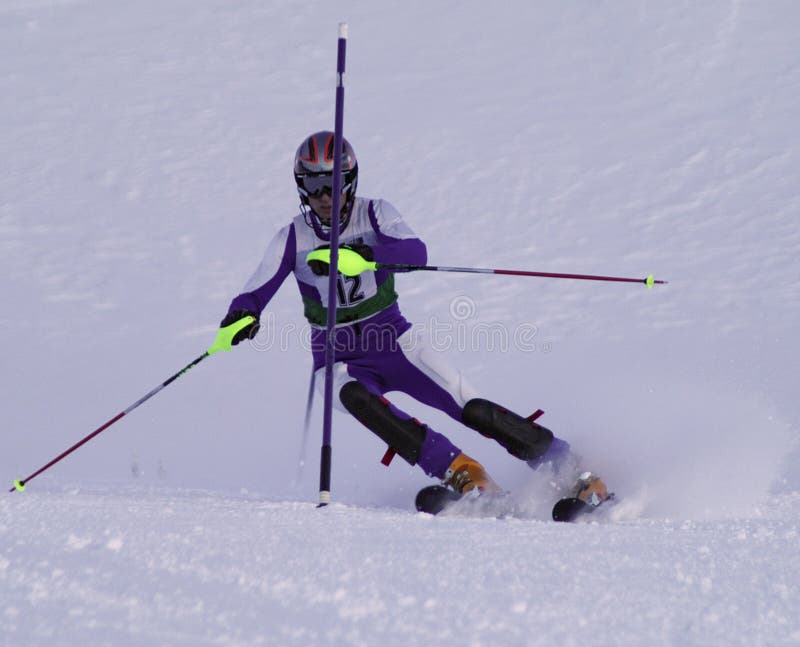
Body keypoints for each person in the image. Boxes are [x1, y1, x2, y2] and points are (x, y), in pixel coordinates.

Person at [215, 131, 608, 506]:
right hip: (336, 359)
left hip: (395, 343)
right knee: (360, 400)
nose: (323, 196)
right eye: (313, 185)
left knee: (470, 407)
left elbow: (415, 252)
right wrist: (242, 315)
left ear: (349, 179)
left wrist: (367, 257)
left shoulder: (375, 212)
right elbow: (256, 289)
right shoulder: (292, 237)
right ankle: (464, 473)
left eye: (333, 183)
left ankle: (571, 469)